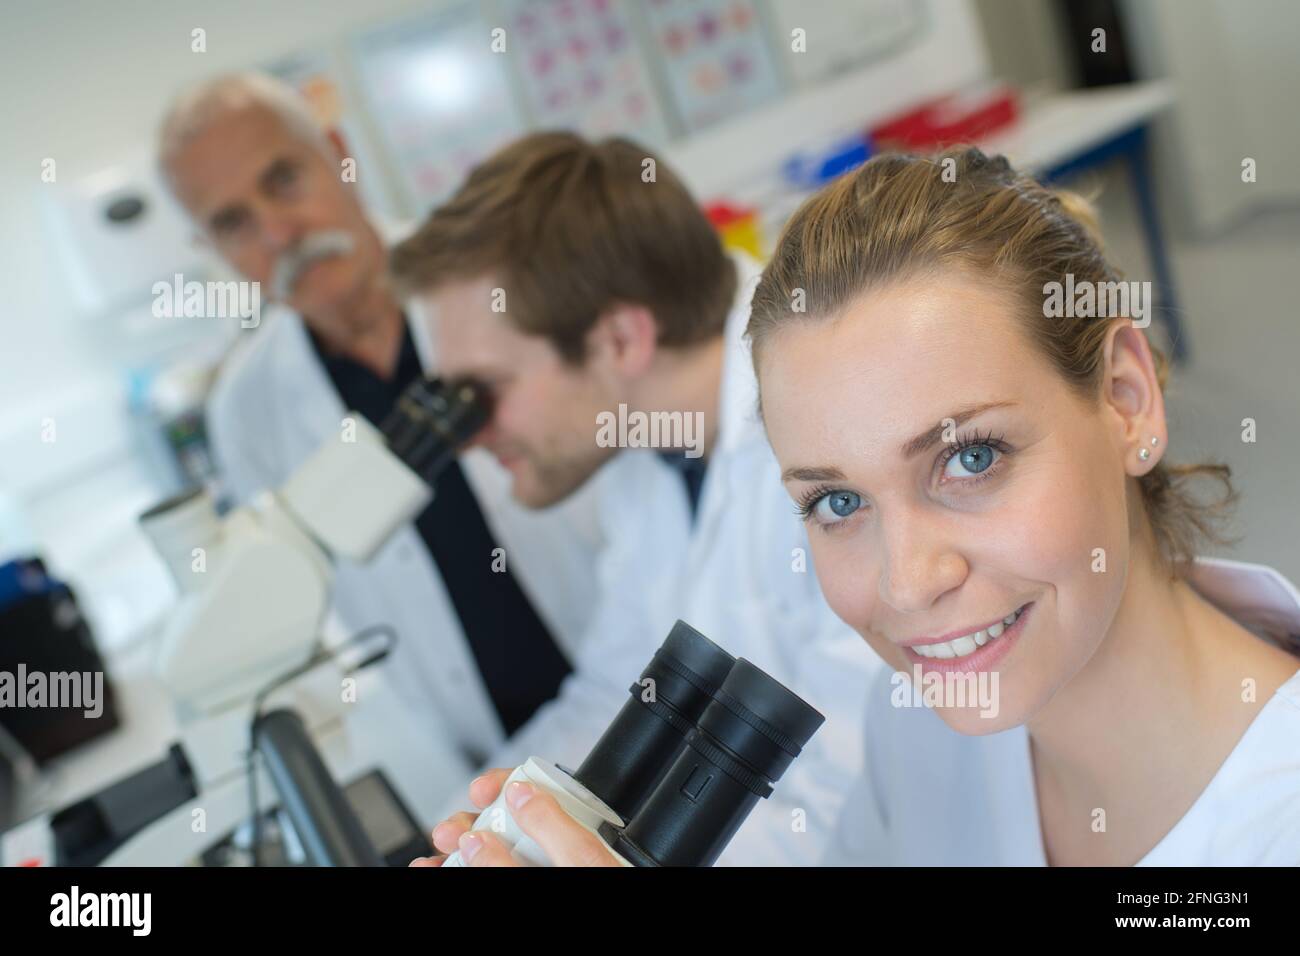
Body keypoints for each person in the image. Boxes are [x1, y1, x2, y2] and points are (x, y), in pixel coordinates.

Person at [428, 146, 1300, 866]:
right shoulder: (922, 728)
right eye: (836, 500)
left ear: (1125, 399)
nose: (907, 583)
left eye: (970, 458)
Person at [391, 132, 880, 866]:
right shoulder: (644, 457)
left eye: (483, 390)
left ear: (621, 339)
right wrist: (472, 837)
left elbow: (849, 792)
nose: (469, 436)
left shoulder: (835, 430)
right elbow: (611, 698)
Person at [157, 73, 604, 767]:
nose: (278, 233)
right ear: (208, 249)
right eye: (233, 223)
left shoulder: (500, 279)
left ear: (339, 154)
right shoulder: (244, 410)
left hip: (637, 660)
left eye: (283, 180)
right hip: (486, 748)